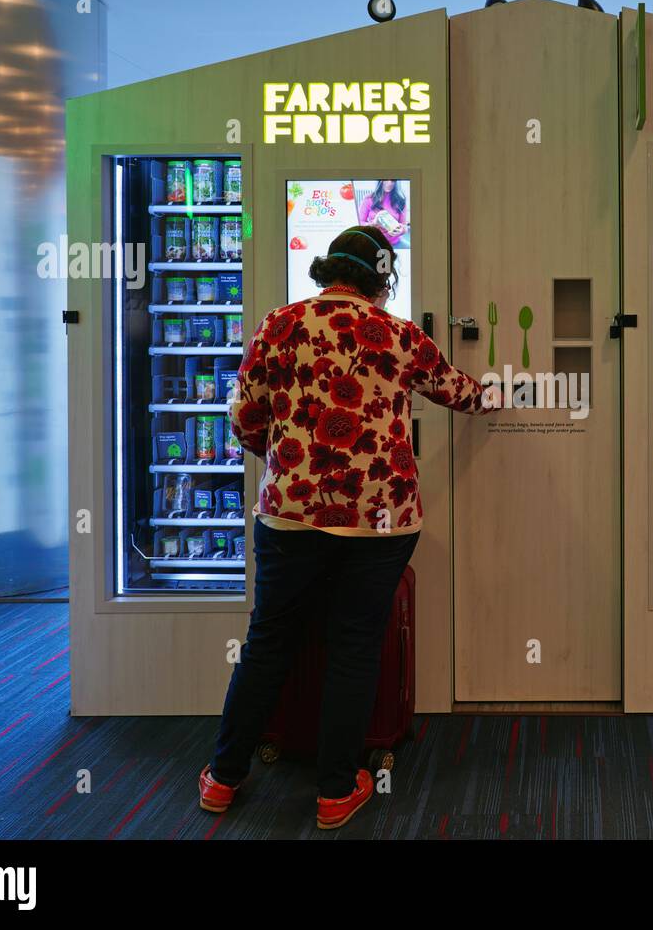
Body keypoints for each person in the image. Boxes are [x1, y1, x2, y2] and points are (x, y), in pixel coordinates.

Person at [199, 225, 499, 829]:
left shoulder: (277, 325)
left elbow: (244, 417)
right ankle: (336, 791)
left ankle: (223, 779)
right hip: (379, 519)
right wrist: (502, 390)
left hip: (290, 512)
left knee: (268, 641)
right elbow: (459, 392)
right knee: (355, 645)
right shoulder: (397, 333)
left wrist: (282, 459)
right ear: (380, 279)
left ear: (326, 271)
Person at [358, 180, 408, 246]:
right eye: (386, 179)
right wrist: (373, 223)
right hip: (373, 242)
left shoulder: (401, 201)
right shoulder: (368, 199)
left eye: (393, 180)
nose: (389, 183)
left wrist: (401, 230)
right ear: (380, 180)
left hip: (395, 242)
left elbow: (404, 226)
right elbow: (359, 223)